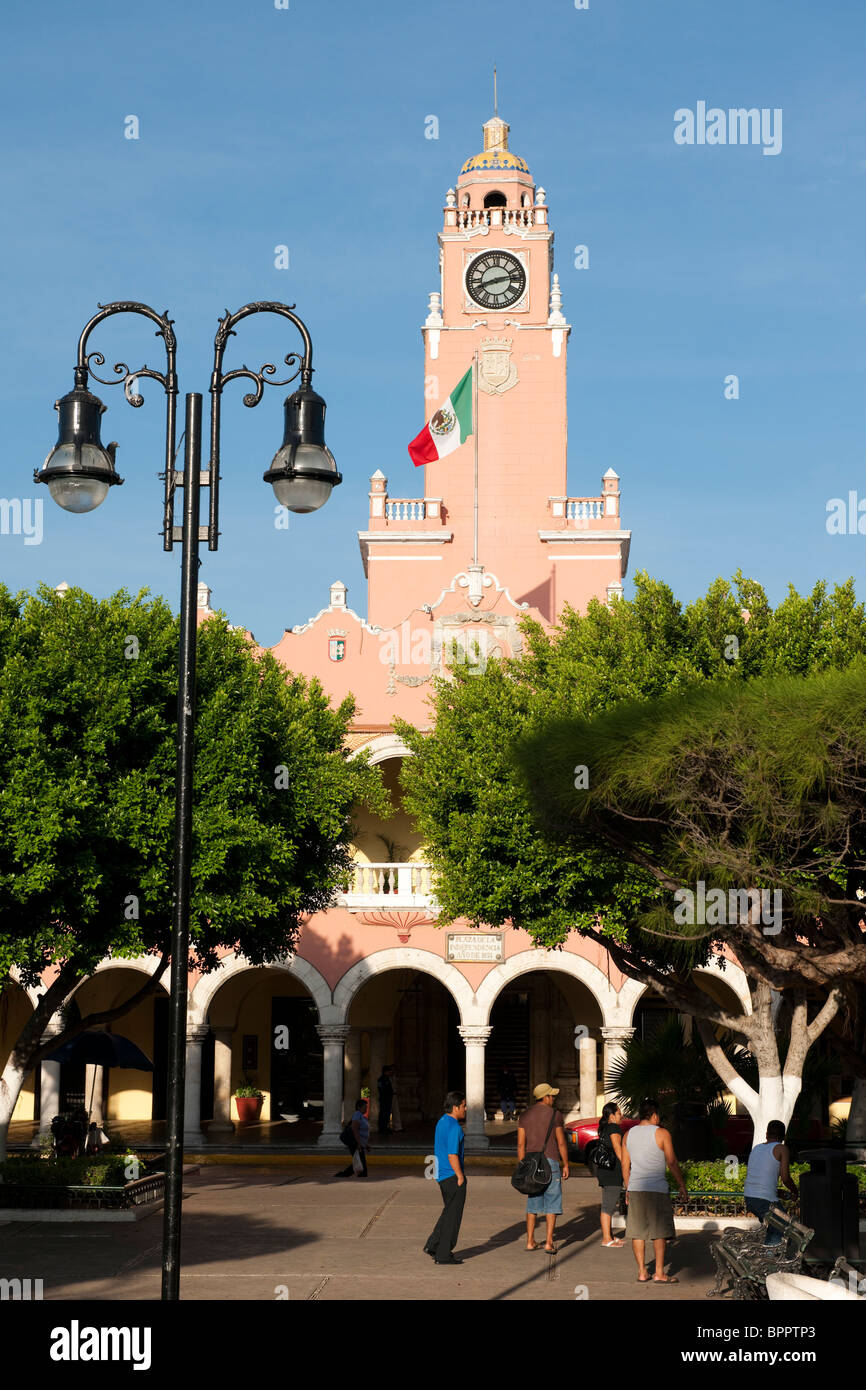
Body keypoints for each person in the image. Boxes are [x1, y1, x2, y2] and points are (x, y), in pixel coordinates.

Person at [620, 1096, 688, 1284]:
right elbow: (672, 1162)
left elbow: (625, 1166)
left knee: (637, 1232)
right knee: (659, 1232)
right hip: (657, 1189)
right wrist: (682, 1185)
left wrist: (628, 1187)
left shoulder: (628, 1135)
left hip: (636, 1189)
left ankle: (642, 1272)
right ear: (655, 1115)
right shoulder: (662, 1133)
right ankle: (659, 1273)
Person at [517, 1083, 570, 1252]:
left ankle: (530, 1241)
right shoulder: (555, 1115)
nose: (553, 1099)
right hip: (551, 1162)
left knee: (533, 1203)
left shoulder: (524, 1115)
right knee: (552, 1203)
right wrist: (566, 1164)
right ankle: (548, 1242)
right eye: (552, 1096)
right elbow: (561, 1142)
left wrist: (522, 1165)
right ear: (545, 1097)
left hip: (531, 1164)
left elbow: (520, 1145)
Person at [423, 1091, 467, 1265]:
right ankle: (443, 1254)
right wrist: (460, 1176)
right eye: (463, 1105)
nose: (466, 1108)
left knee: (448, 1211)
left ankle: (432, 1244)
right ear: (456, 1107)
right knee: (453, 1217)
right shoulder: (455, 1126)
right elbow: (452, 1153)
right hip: (452, 1175)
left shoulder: (442, 1121)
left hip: (441, 1174)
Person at [743, 1120, 798, 1245]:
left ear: (766, 1134)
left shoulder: (756, 1148)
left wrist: (778, 1192)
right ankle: (769, 1261)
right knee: (785, 1232)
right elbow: (785, 1178)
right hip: (764, 1201)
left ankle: (767, 1257)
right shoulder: (782, 1149)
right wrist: (795, 1191)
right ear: (784, 1137)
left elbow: (759, 1180)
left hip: (750, 1198)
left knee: (773, 1230)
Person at [595, 1101, 625, 1248]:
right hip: (612, 1172)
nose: (622, 1115)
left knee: (609, 1204)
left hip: (605, 1171)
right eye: (619, 1113)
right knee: (608, 1206)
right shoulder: (614, 1128)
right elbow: (618, 1149)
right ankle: (606, 1238)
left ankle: (610, 1235)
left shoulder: (605, 1127)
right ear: (612, 1116)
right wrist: (626, 1166)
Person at [335, 1098, 371, 1177]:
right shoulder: (357, 1115)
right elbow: (355, 1130)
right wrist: (358, 1143)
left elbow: (362, 1132)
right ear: (359, 1107)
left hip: (360, 1143)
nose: (366, 1109)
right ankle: (343, 1174)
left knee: (359, 1162)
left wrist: (366, 1144)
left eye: (366, 1107)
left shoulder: (362, 1116)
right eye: (365, 1107)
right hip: (355, 1143)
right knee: (360, 1163)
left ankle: (344, 1174)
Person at [377, 1066, 394, 1134]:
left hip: (387, 1099)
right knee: (383, 1114)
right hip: (384, 1099)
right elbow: (382, 1089)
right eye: (389, 1071)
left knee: (386, 1114)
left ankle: (385, 1128)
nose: (390, 1072)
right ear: (386, 1072)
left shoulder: (386, 1079)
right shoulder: (382, 1079)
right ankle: (382, 1128)